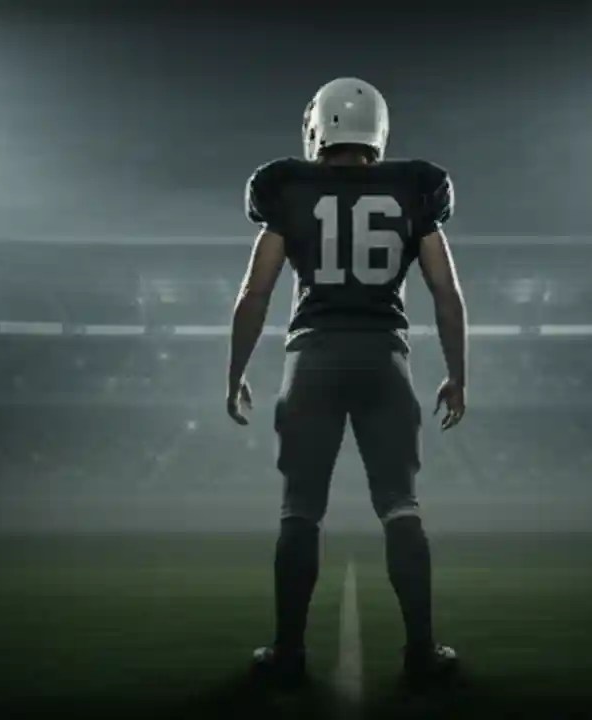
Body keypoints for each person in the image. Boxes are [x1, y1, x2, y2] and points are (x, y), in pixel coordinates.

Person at [225, 77, 467, 689]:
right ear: (377, 131)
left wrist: (235, 374)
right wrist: (457, 375)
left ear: (318, 128)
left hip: (313, 357)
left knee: (300, 510)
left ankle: (288, 653)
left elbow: (256, 292)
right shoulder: (413, 190)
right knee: (401, 504)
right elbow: (445, 291)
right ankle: (421, 652)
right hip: (385, 357)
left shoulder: (288, 188)